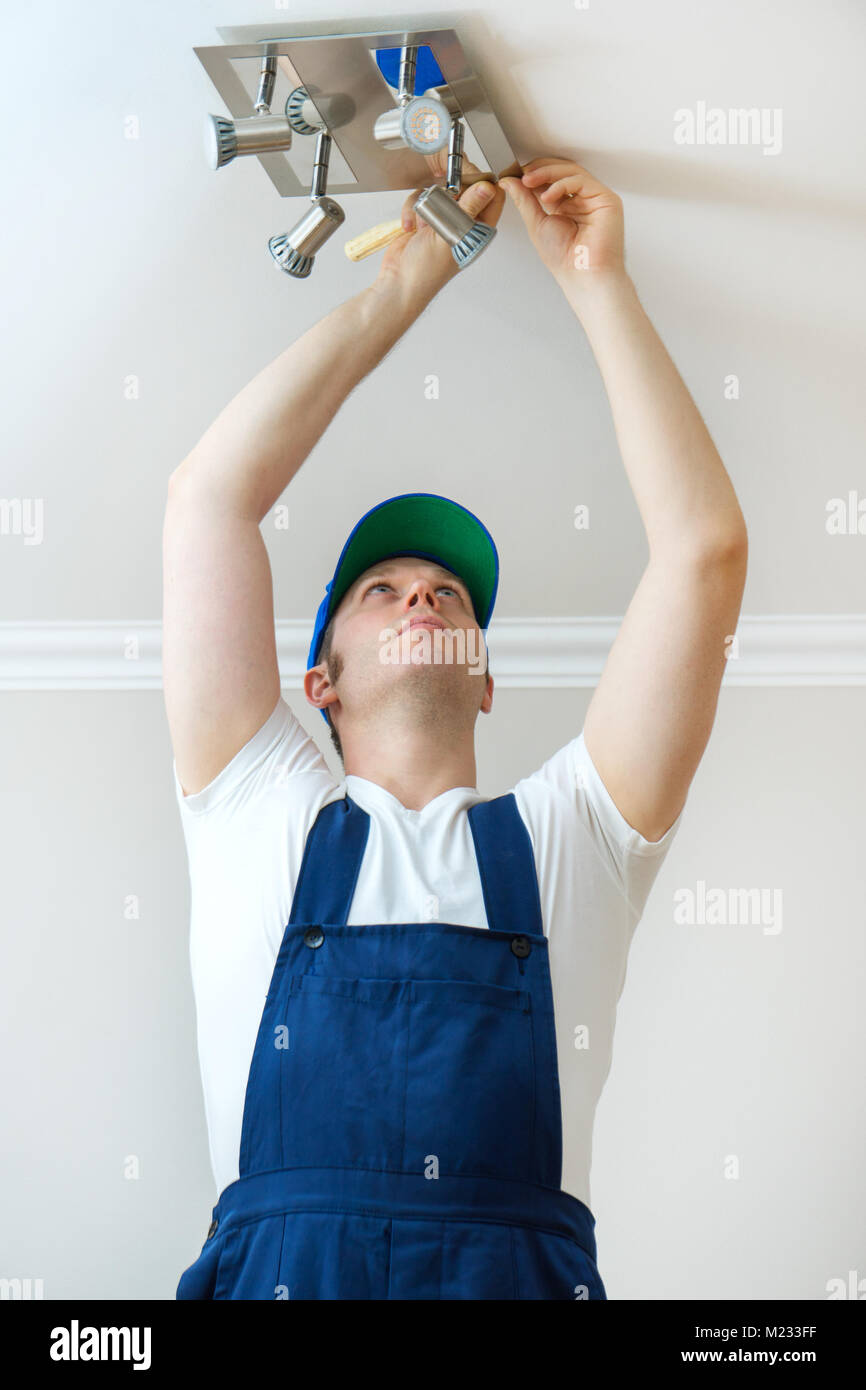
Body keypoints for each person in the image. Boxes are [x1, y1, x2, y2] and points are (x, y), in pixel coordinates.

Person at [164, 158, 748, 1300]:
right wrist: (407, 282)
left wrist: (596, 283)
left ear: (483, 680)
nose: (424, 596)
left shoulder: (572, 835)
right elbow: (208, 499)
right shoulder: (259, 810)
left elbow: (702, 554)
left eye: (450, 595)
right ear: (316, 682)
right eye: (379, 591)